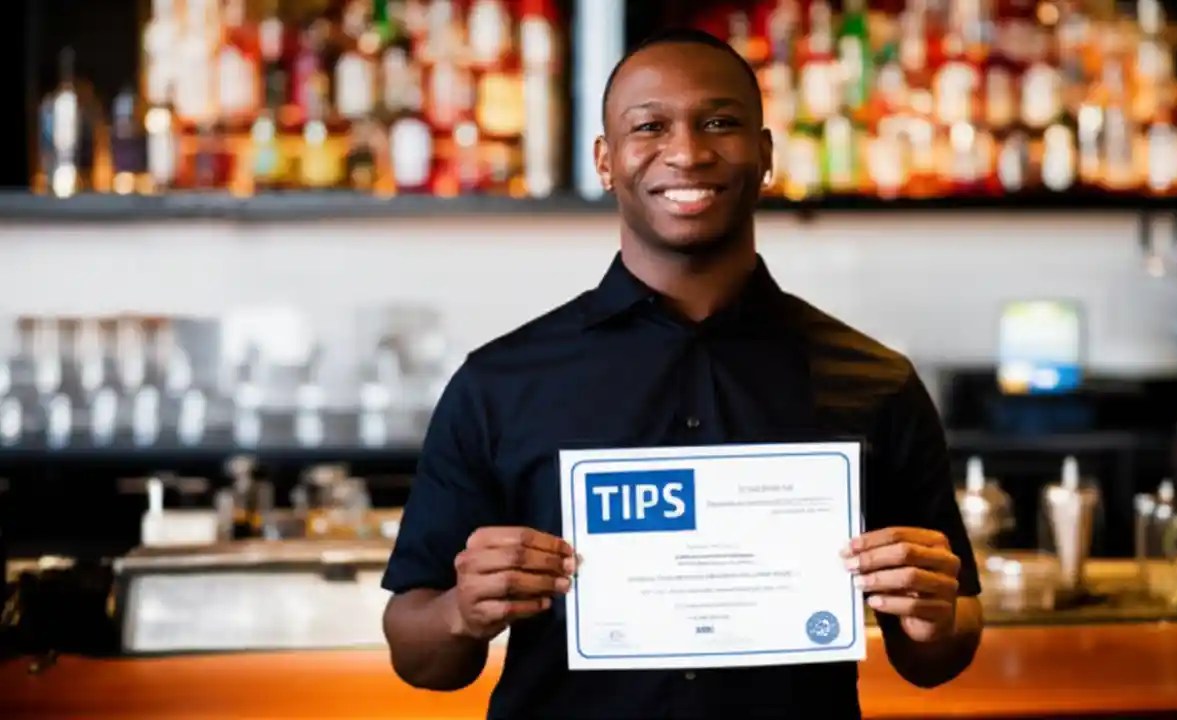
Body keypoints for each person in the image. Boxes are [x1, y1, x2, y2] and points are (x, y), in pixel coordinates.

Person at [381, 28, 983, 720]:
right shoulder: (500, 383)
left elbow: (941, 652)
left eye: (721, 123)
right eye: (651, 126)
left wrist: (938, 617)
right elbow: (418, 657)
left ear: (764, 155)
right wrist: (462, 611)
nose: (689, 152)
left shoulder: (876, 382)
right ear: (606, 162)